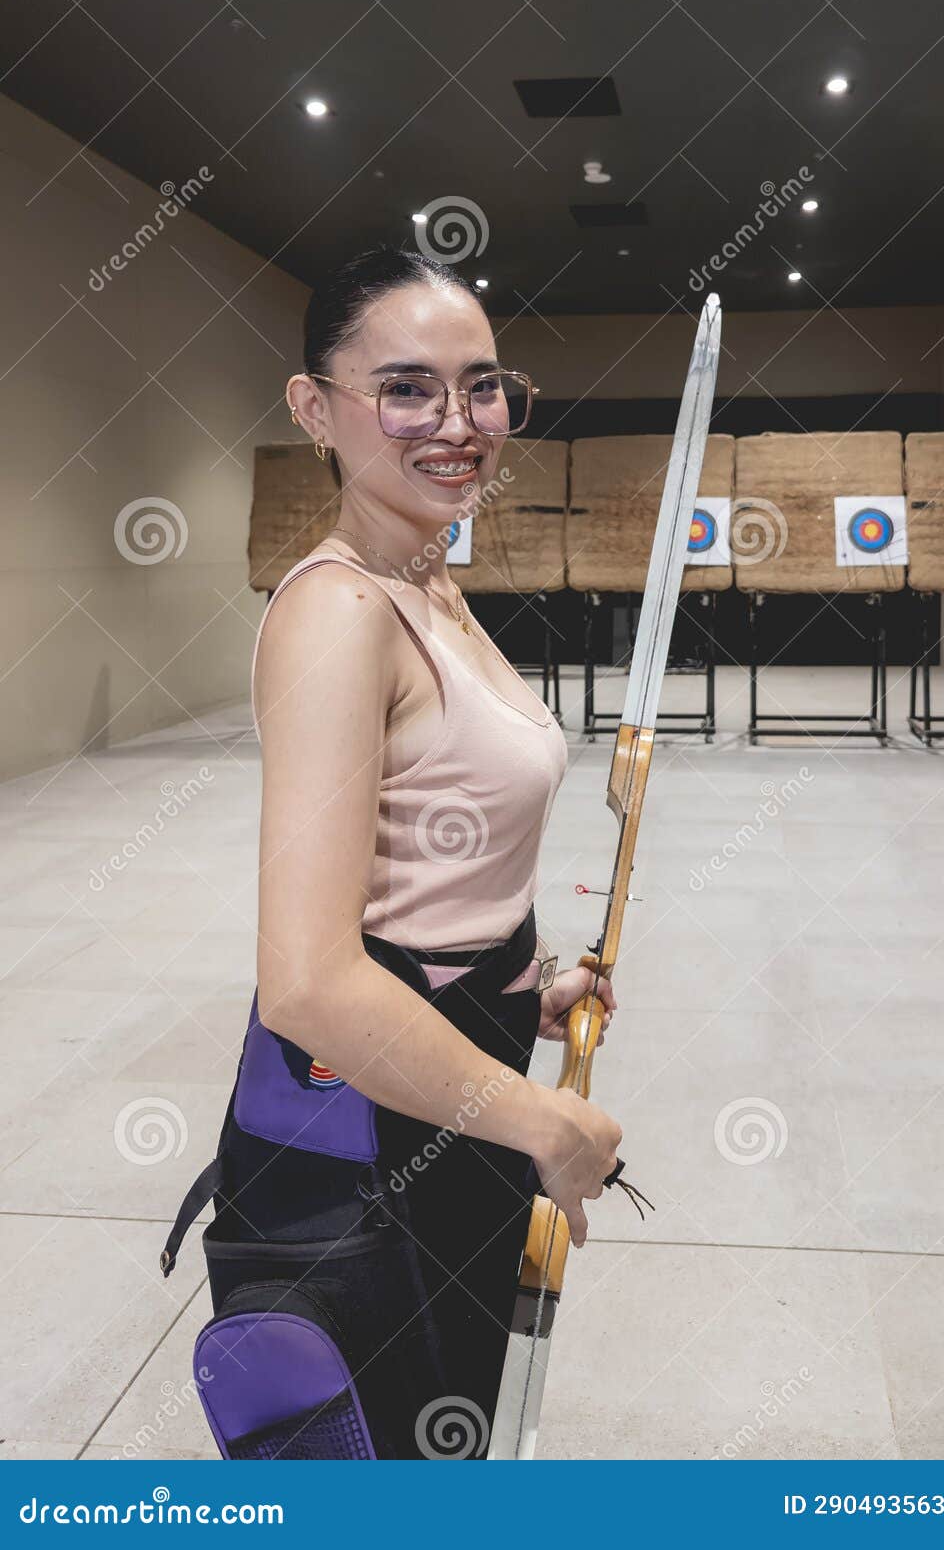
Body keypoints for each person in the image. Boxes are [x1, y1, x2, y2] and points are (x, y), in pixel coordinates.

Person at [162, 245, 622, 1460]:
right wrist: (542, 1118)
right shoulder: (340, 609)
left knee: (453, 1448)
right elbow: (311, 979)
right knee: (397, 1468)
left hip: (440, 1105)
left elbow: (416, 887)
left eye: (483, 387)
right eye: (407, 387)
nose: (459, 423)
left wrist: (525, 983)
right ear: (314, 408)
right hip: (368, 1155)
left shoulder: (431, 583)